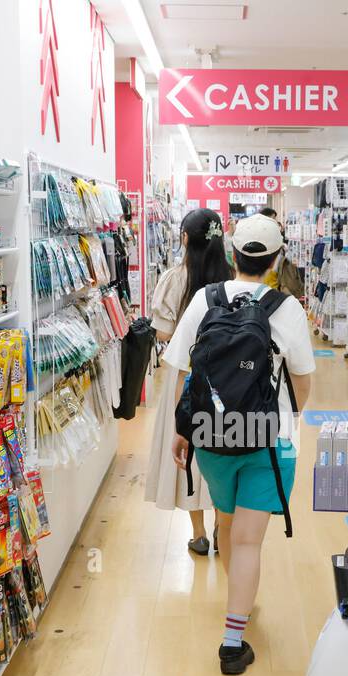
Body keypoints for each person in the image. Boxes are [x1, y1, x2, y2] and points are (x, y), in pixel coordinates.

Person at [165, 215, 315, 675]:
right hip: (265, 440)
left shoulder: (203, 301)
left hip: (211, 438)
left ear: (233, 255)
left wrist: (182, 429)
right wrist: (287, 417)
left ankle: (239, 599)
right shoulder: (286, 309)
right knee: (250, 540)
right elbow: (303, 381)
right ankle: (234, 640)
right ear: (275, 261)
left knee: (225, 526)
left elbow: (184, 371)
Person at [143, 208, 233, 555]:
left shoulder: (175, 278)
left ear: (184, 238)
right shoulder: (232, 279)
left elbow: (163, 330)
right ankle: (221, 527)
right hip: (226, 379)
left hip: (186, 376)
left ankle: (199, 534)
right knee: (222, 450)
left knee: (188, 452)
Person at [260, 207, 305, 299]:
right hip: (268, 275)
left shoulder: (272, 233)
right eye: (273, 218)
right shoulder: (263, 234)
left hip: (272, 279)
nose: (275, 222)